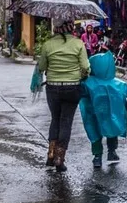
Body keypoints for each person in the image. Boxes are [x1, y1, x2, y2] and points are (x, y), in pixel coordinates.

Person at [32, 19, 91, 172]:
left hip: (53, 88)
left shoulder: (48, 44)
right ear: (71, 28)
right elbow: (86, 67)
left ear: (56, 29)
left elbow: (42, 66)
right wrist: (82, 75)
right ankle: (59, 159)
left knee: (55, 119)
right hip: (72, 88)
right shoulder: (78, 43)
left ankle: (50, 155)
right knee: (66, 121)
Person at [81, 49, 127, 169]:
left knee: (94, 133)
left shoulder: (88, 83)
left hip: (93, 114)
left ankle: (97, 157)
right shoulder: (118, 84)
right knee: (112, 129)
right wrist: (126, 108)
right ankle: (112, 152)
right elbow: (122, 99)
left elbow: (82, 95)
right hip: (111, 114)